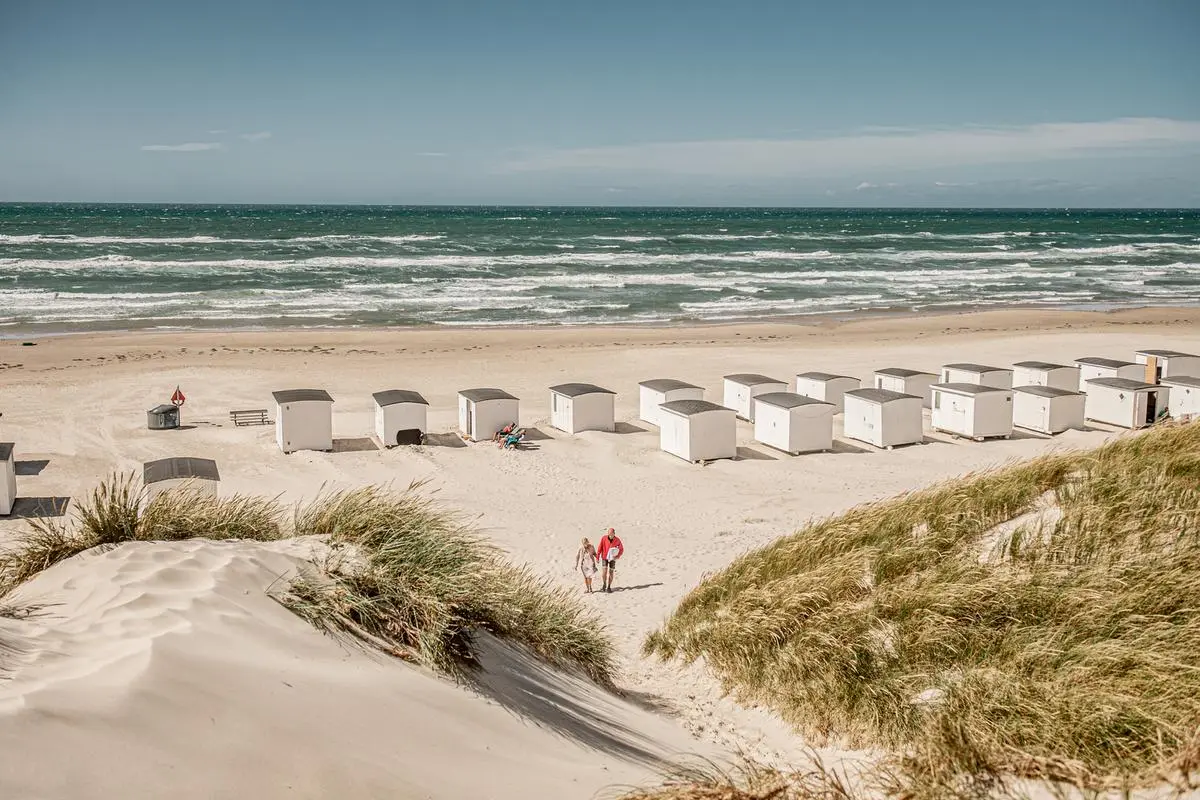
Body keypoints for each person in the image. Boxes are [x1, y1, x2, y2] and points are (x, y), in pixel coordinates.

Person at [596, 528, 624, 593]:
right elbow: (599, 547)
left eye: (612, 534)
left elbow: (621, 549)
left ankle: (608, 587)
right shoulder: (604, 538)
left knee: (611, 572)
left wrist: (617, 556)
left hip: (612, 558)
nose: (610, 535)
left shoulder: (617, 540)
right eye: (609, 534)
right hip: (604, 557)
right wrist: (597, 557)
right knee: (604, 572)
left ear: (614, 534)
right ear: (608, 533)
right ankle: (604, 584)